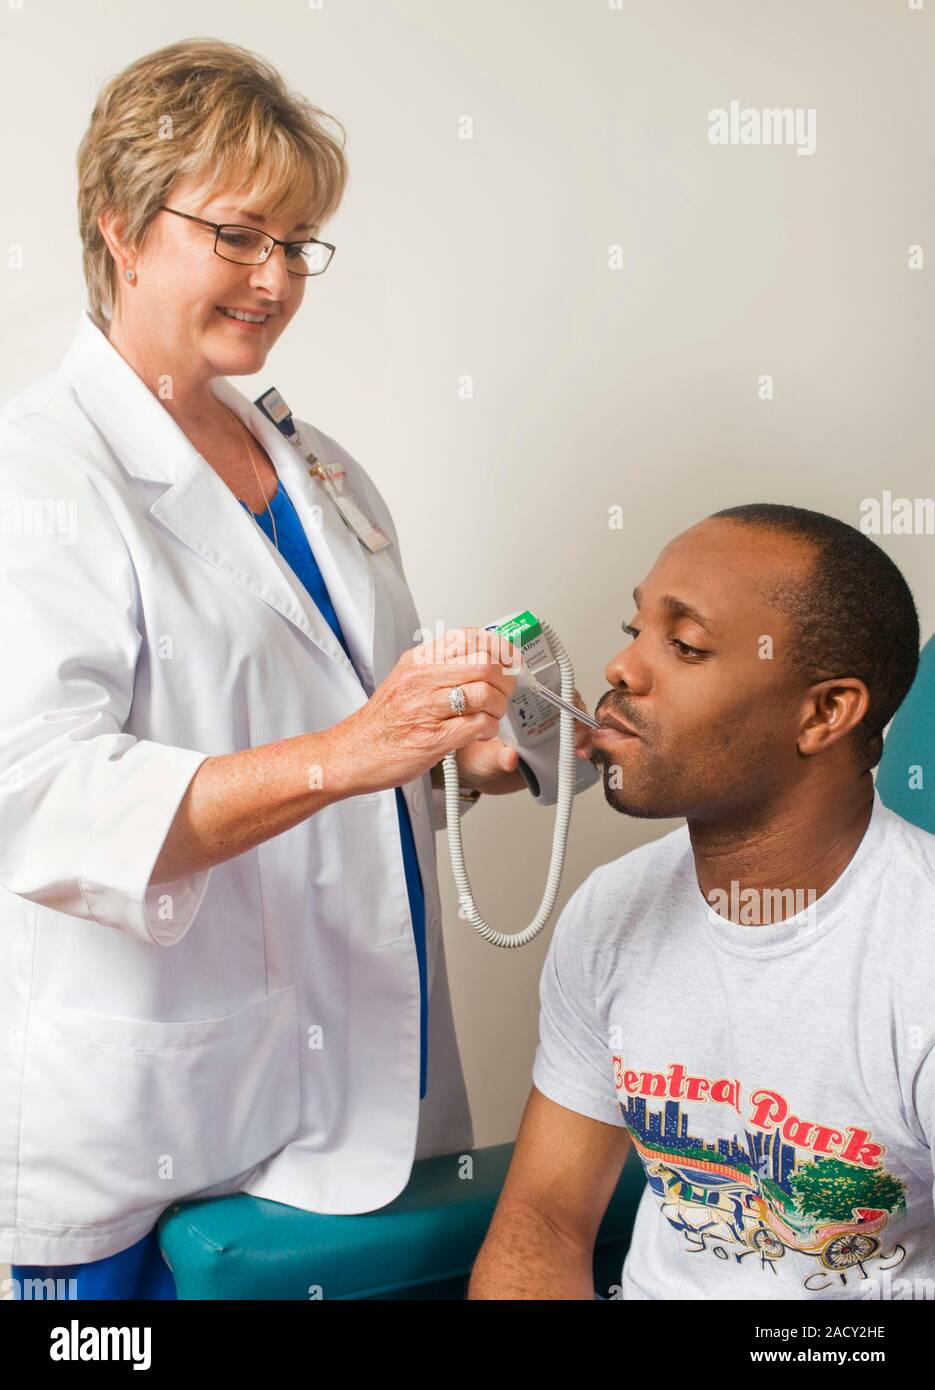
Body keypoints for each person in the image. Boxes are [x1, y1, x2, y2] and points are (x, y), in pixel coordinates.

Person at [0, 37, 588, 1300]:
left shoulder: (314, 465)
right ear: (119, 224)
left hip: (361, 1064)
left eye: (299, 242)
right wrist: (345, 754)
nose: (276, 278)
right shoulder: (40, 472)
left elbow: (369, 728)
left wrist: (465, 757)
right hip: (148, 1104)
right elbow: (38, 800)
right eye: (240, 236)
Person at [469, 503, 935, 1300]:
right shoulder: (612, 909)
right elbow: (545, 1218)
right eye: (635, 627)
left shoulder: (914, 957)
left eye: (684, 645)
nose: (620, 667)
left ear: (823, 712)